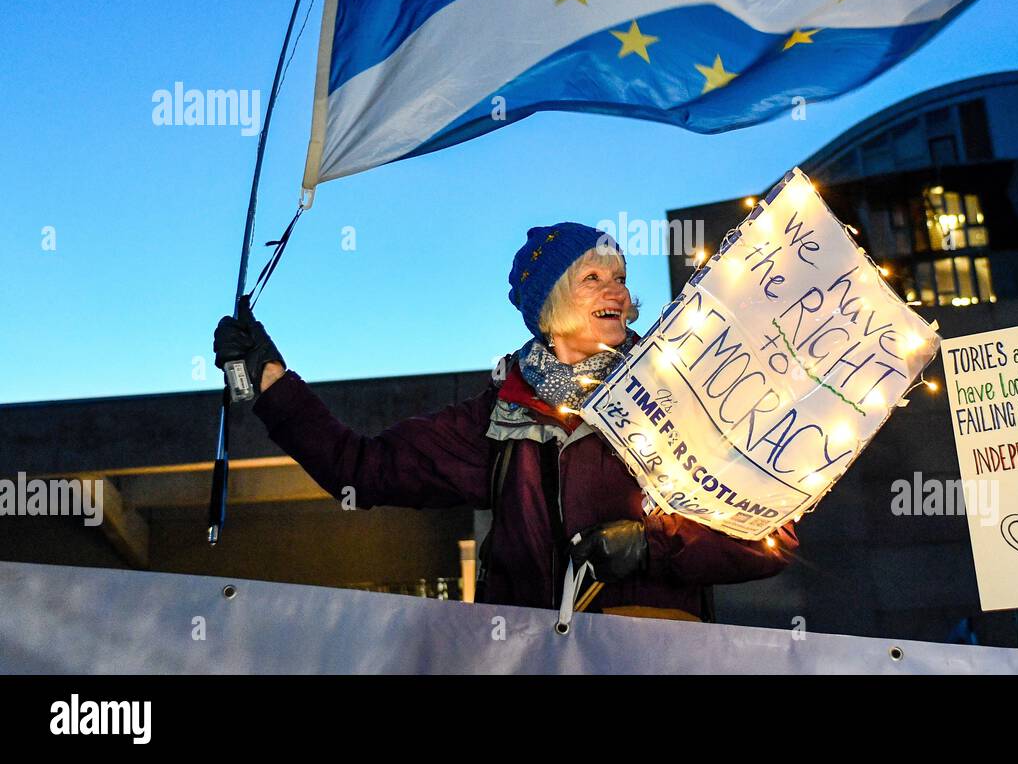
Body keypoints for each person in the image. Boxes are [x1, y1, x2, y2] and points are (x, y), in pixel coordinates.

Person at [214, 222, 797, 621]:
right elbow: (361, 470)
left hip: (661, 654)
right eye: (592, 277)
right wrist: (268, 378)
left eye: (619, 276)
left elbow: (772, 541)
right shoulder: (497, 419)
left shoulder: (682, 396)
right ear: (549, 306)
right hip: (531, 657)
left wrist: (650, 547)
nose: (615, 289)